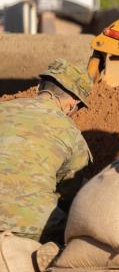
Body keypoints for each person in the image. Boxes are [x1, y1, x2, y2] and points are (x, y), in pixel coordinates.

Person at [0, 60, 92, 242]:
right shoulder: (72, 134)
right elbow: (71, 195)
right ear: (72, 102)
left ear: (39, 86)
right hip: (33, 226)